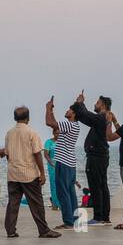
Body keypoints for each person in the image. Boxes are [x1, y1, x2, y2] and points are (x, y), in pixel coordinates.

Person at [3, 106, 61, 239]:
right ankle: (44, 230)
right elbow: (37, 154)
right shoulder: (31, 132)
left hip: (13, 174)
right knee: (37, 203)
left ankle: (10, 230)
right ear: (28, 118)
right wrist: (42, 173)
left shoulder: (9, 133)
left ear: (14, 118)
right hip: (29, 174)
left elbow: (7, 154)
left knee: (13, 203)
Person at [71, 92, 113, 225]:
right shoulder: (100, 119)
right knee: (102, 185)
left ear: (103, 105)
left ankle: (99, 217)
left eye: (97, 102)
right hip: (101, 156)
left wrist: (80, 102)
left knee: (96, 186)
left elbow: (87, 115)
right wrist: (79, 106)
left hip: (96, 157)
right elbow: (85, 118)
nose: (95, 104)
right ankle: (104, 217)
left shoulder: (101, 117)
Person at [44, 96, 81, 228]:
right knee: (70, 192)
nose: (66, 111)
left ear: (74, 114)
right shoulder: (75, 125)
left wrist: (48, 108)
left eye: (69, 110)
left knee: (62, 192)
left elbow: (49, 122)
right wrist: (52, 111)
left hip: (63, 162)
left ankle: (68, 222)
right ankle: (75, 219)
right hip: (70, 163)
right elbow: (54, 122)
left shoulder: (69, 125)